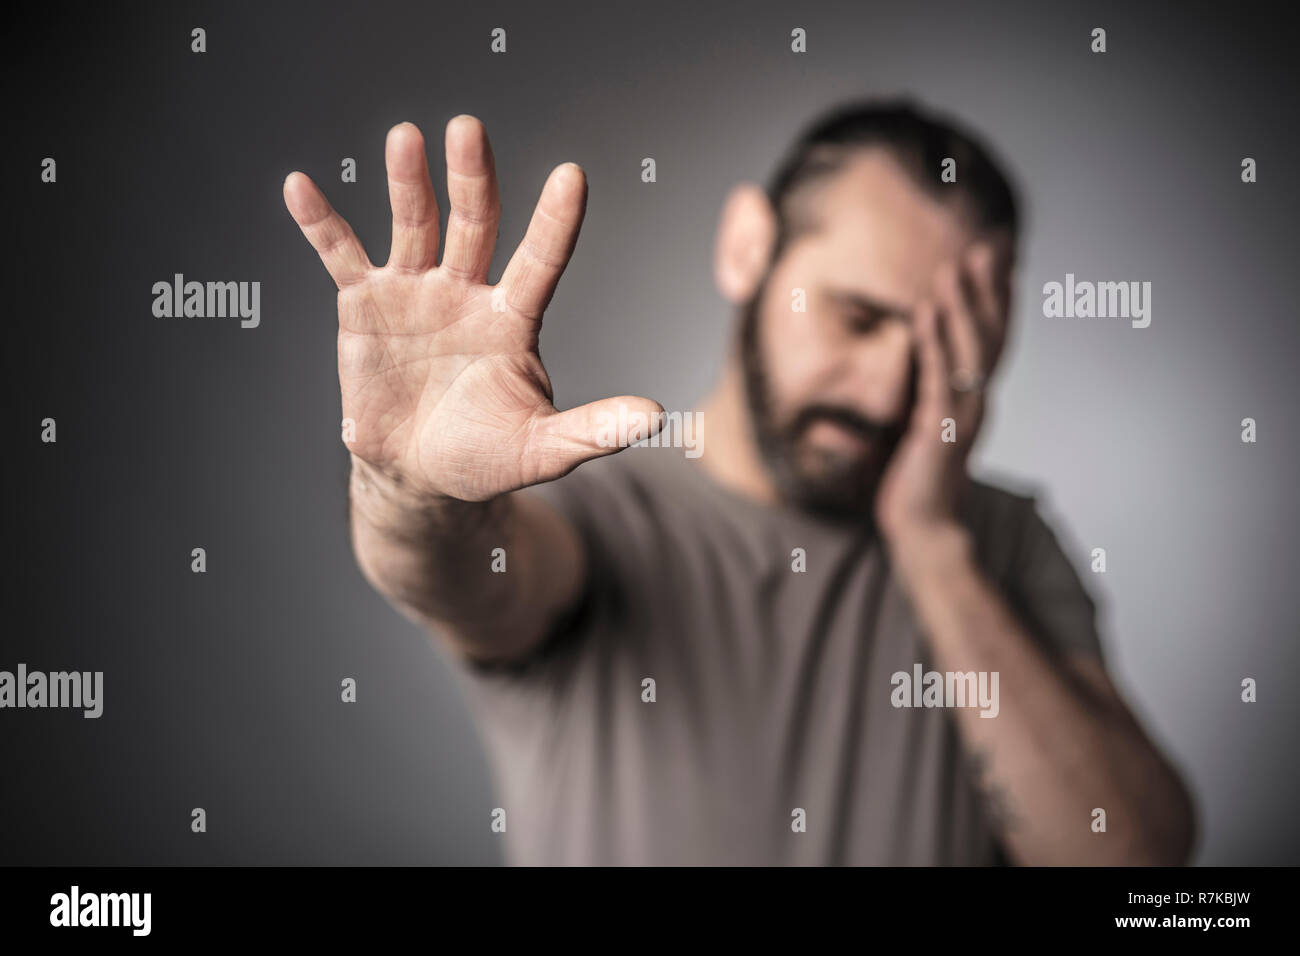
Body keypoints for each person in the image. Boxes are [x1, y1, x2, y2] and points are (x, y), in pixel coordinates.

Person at [283, 99, 1195, 866]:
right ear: (747, 250)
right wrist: (412, 489)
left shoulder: (1001, 543)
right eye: (857, 317)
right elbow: (459, 581)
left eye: (943, 353)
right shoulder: (592, 511)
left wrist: (931, 542)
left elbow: (1139, 866)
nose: (886, 391)